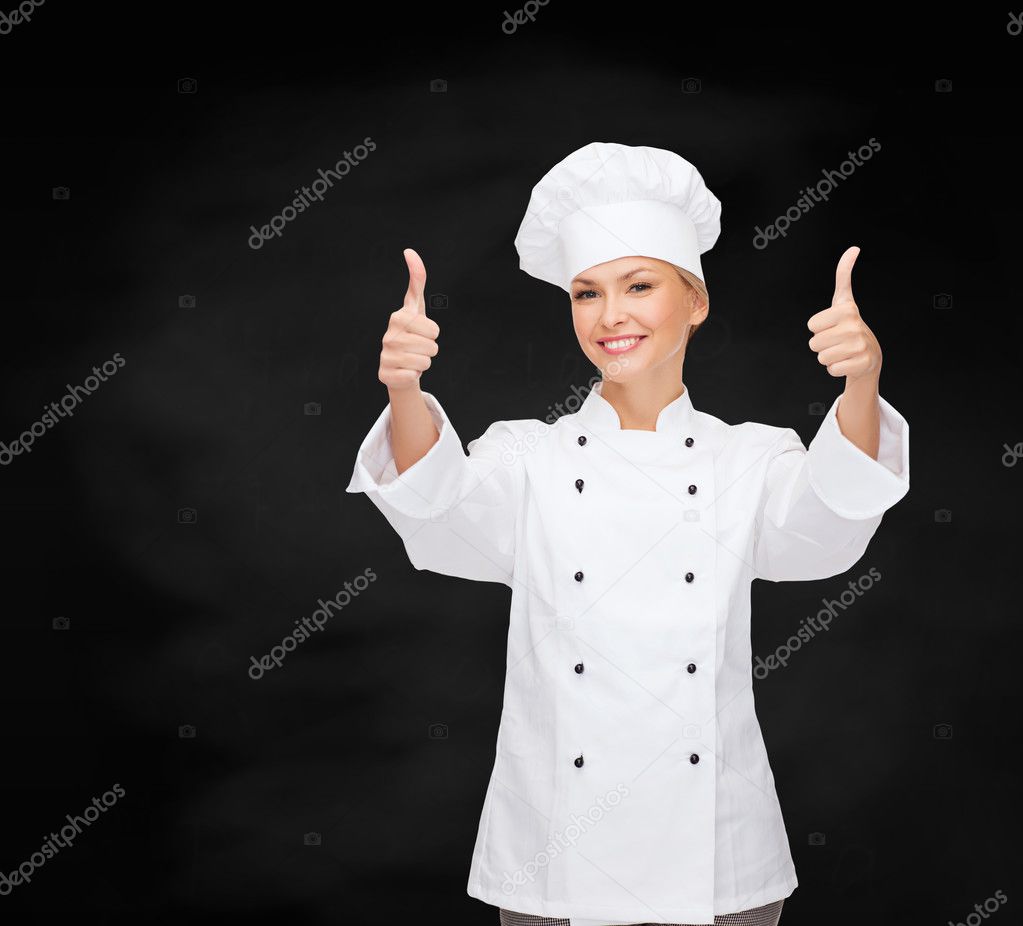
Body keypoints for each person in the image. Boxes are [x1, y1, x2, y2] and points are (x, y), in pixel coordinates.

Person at [346, 142, 910, 926]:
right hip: (554, 859)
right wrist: (404, 389)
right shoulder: (527, 455)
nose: (609, 316)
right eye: (586, 294)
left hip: (717, 858)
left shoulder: (749, 456)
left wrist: (861, 382)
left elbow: (829, 526)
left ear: (696, 300)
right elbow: (436, 513)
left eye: (638, 286)